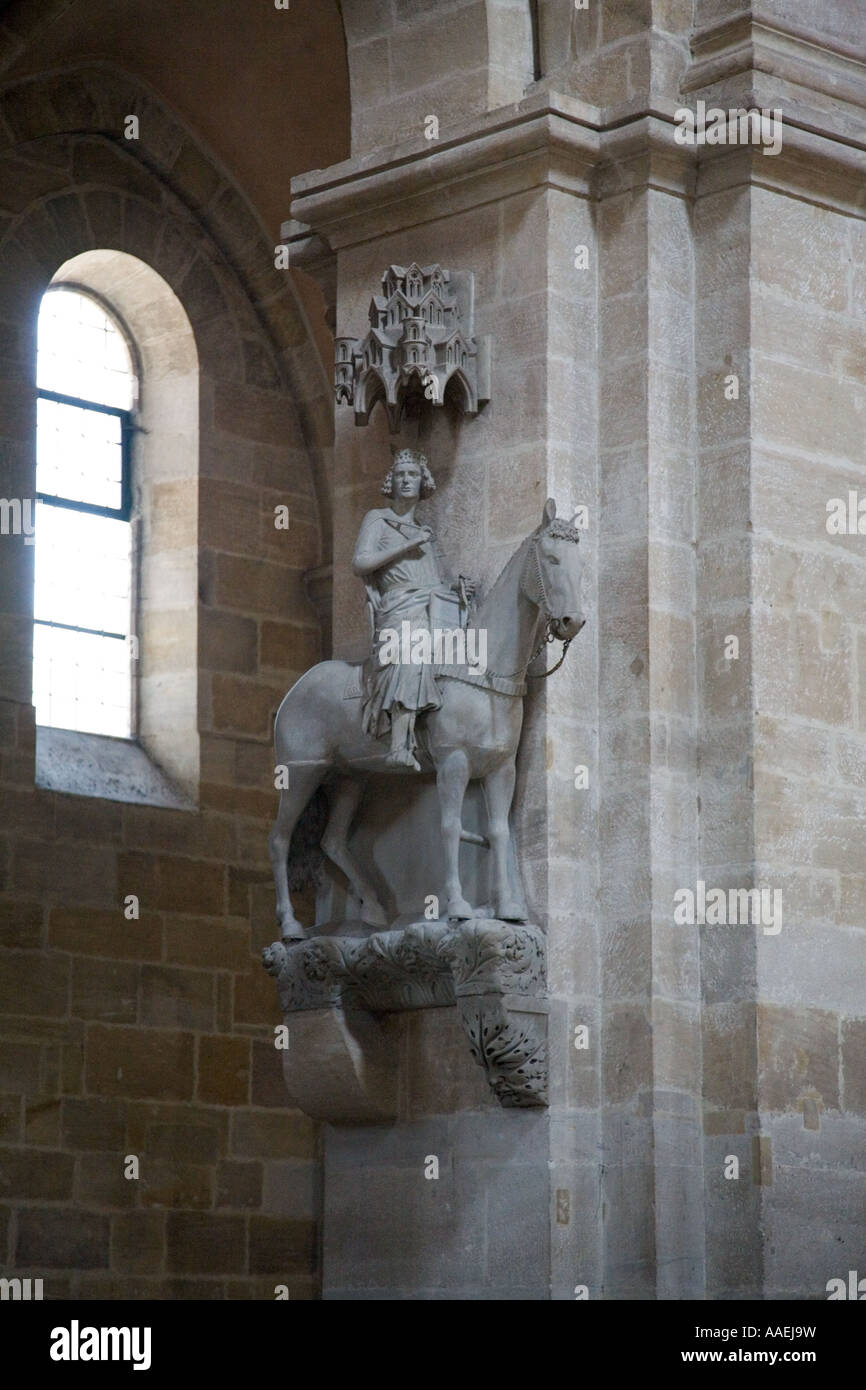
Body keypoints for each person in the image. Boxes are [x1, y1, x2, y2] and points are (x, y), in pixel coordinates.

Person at [352, 448, 459, 770]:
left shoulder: (424, 532)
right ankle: (398, 746)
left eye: (413, 475)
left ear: (422, 481)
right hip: (398, 607)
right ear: (392, 482)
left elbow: (432, 581)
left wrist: (456, 591)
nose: (407, 480)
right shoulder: (378, 519)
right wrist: (405, 546)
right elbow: (360, 563)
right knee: (411, 653)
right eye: (400, 475)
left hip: (429, 607)